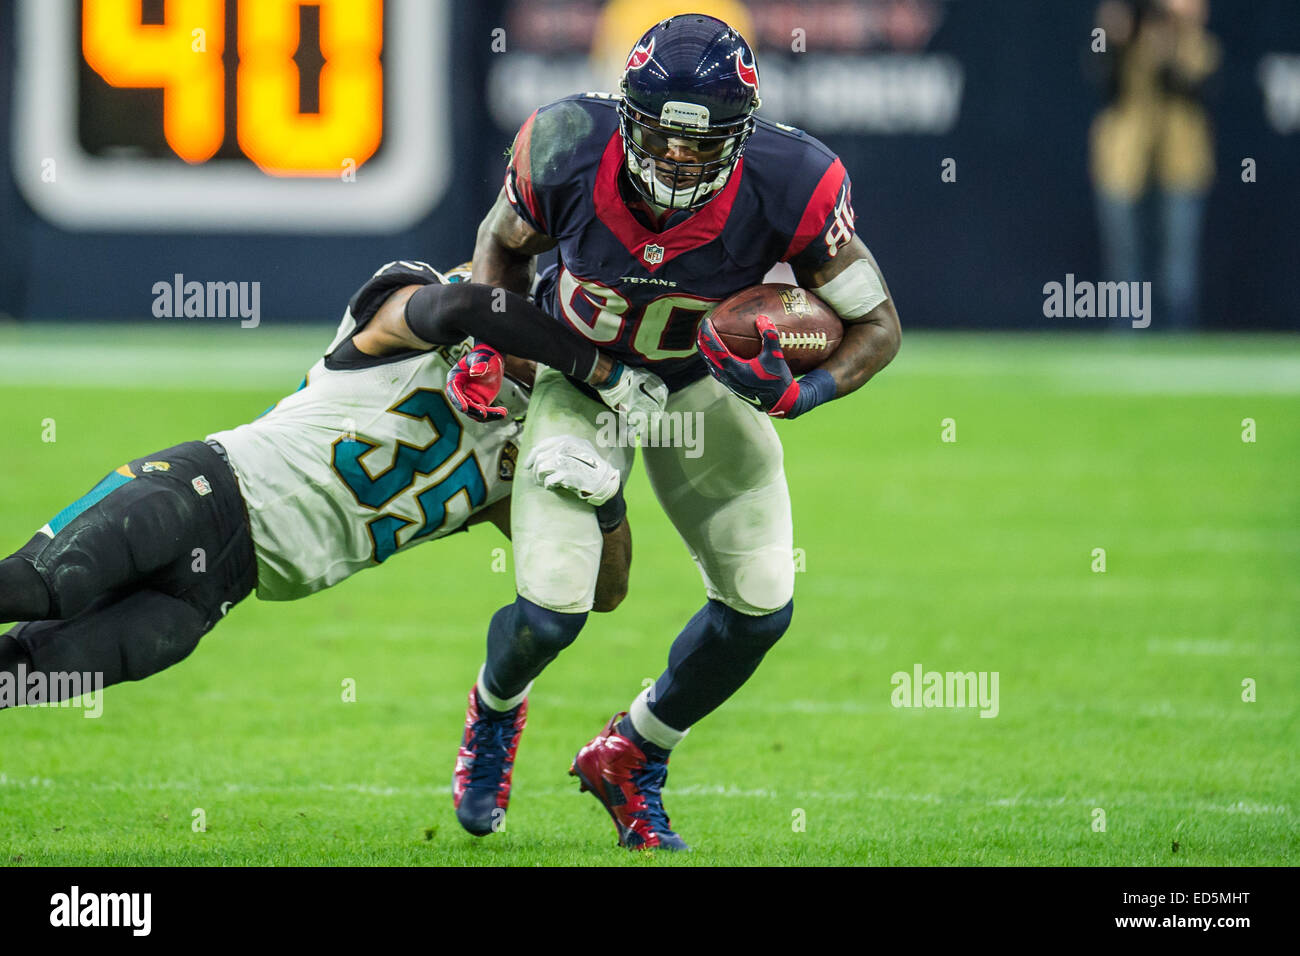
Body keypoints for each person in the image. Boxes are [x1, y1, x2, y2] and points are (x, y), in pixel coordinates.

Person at [453, 14, 901, 849]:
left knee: (762, 605)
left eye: (704, 144)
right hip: (582, 378)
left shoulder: (796, 181)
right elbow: (499, 245)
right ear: (626, 117)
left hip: (700, 388)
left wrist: (796, 396)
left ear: (744, 134)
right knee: (553, 609)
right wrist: (492, 345)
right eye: (660, 138)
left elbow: (876, 327)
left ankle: (632, 753)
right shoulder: (562, 145)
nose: (678, 160)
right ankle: (494, 712)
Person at [0, 260, 665, 716]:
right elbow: (465, 302)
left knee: (36, 671)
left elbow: (600, 594)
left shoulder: (537, 450)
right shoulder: (408, 316)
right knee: (41, 583)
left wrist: (604, 500)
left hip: (225, 586)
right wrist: (595, 367)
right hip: (200, 493)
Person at [1089, 0, 1220, 329]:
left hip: (1180, 152)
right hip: (1125, 153)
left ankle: (1178, 326)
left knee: (1178, 250)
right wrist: (1117, 33)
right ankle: (1126, 325)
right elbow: (1104, 81)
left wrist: (1172, 35)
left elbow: (1194, 84)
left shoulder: (1193, 38)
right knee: (1125, 247)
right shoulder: (1122, 28)